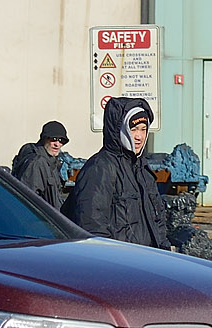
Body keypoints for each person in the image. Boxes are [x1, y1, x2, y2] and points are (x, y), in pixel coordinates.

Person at [67, 97, 169, 249]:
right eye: (133, 129)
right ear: (120, 129)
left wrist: (165, 252)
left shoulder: (142, 168)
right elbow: (92, 225)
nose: (139, 136)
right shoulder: (100, 168)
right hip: (120, 263)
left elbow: (158, 221)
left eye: (143, 129)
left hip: (149, 261)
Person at [10, 121, 71, 213]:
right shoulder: (37, 163)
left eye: (61, 140)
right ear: (44, 139)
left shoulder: (52, 162)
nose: (57, 144)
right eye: (53, 139)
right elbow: (27, 200)